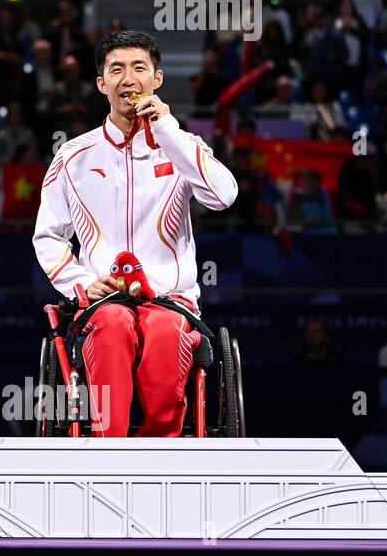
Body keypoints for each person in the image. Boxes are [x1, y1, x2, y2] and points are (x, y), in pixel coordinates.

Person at [33, 30, 238, 436]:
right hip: (103, 302)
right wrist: (82, 284)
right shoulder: (73, 155)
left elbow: (223, 196)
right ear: (101, 84)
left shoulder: (182, 146)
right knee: (113, 324)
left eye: (139, 68)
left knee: (162, 330)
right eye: (117, 69)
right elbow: (48, 236)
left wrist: (166, 131)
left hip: (170, 300)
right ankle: (109, 449)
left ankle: (158, 449)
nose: (128, 79)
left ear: (157, 79)